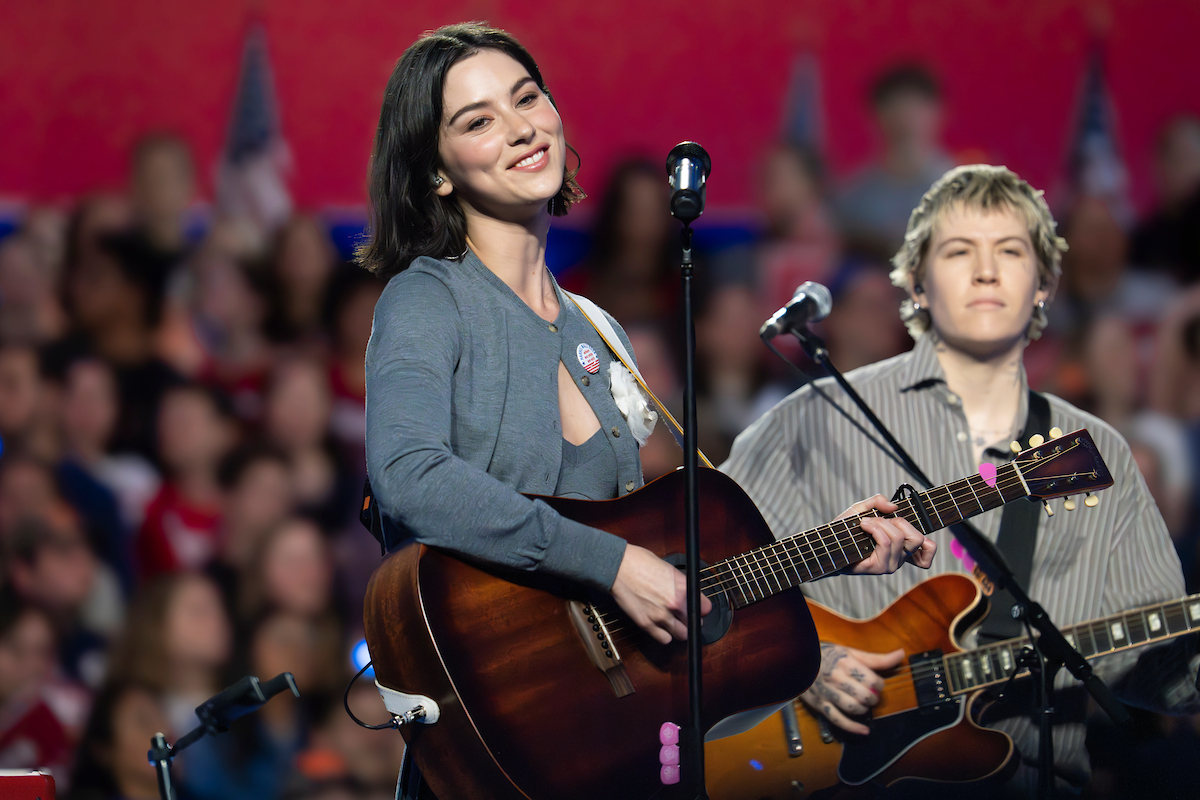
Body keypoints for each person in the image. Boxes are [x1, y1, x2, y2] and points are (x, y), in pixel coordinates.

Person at [356, 22, 935, 799]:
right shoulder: (428, 298)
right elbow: (407, 476)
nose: (522, 127)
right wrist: (612, 566)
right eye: (478, 120)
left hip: (615, 743)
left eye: (528, 97)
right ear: (436, 174)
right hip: (497, 745)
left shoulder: (600, 329)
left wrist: (832, 546)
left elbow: (647, 551)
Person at [723, 164, 1200, 796]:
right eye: (958, 251)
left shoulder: (1097, 451)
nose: (986, 271)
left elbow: (1159, 671)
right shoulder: (813, 419)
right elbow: (692, 587)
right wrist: (805, 663)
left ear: (1043, 287)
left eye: (1010, 251)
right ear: (917, 285)